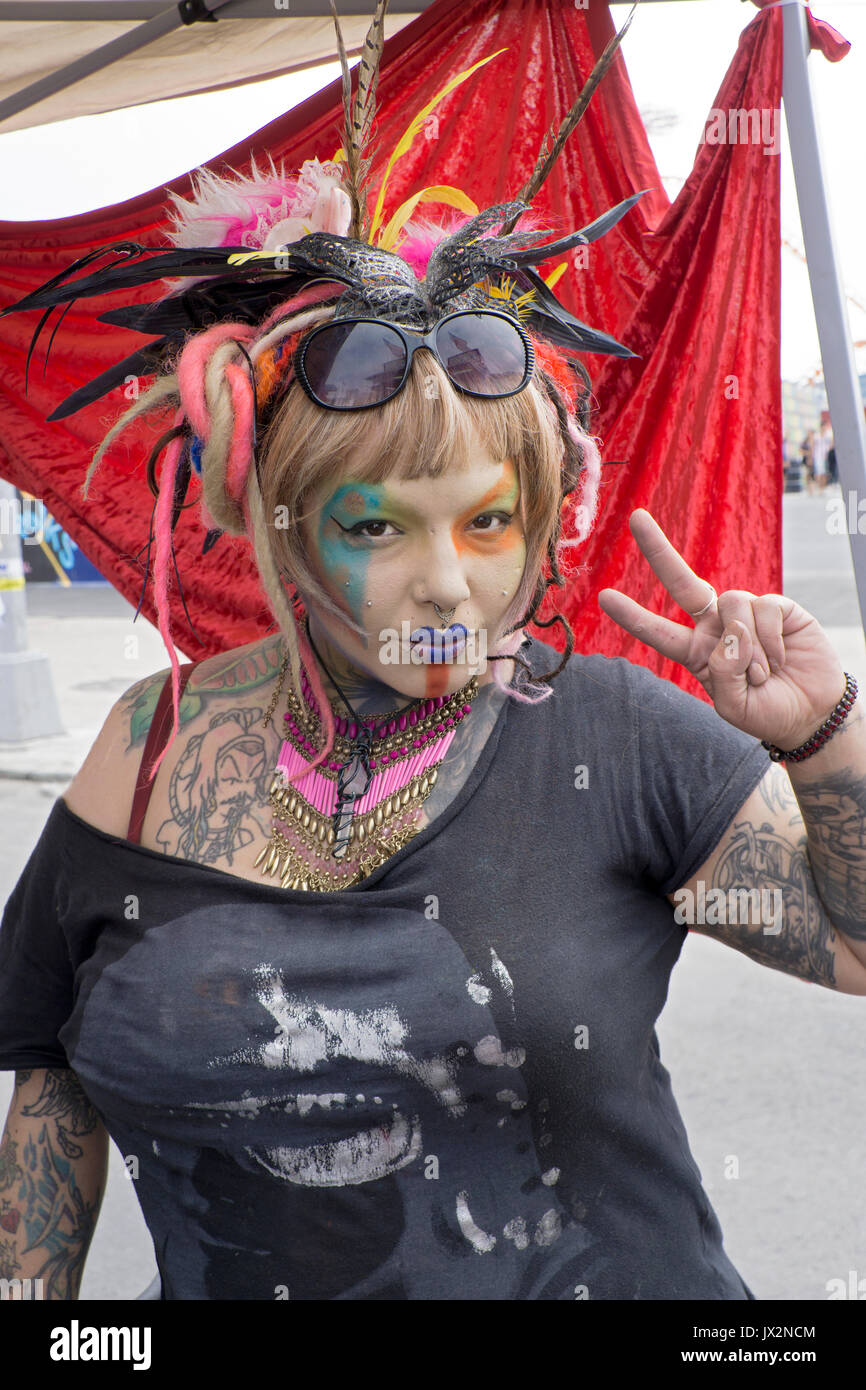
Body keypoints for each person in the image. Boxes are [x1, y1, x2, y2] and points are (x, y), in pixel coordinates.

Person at [2, 16, 865, 1304]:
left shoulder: (616, 736)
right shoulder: (148, 747)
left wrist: (825, 736)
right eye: (375, 528)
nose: (449, 582)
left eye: (487, 522)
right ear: (279, 527)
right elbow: (56, 1072)